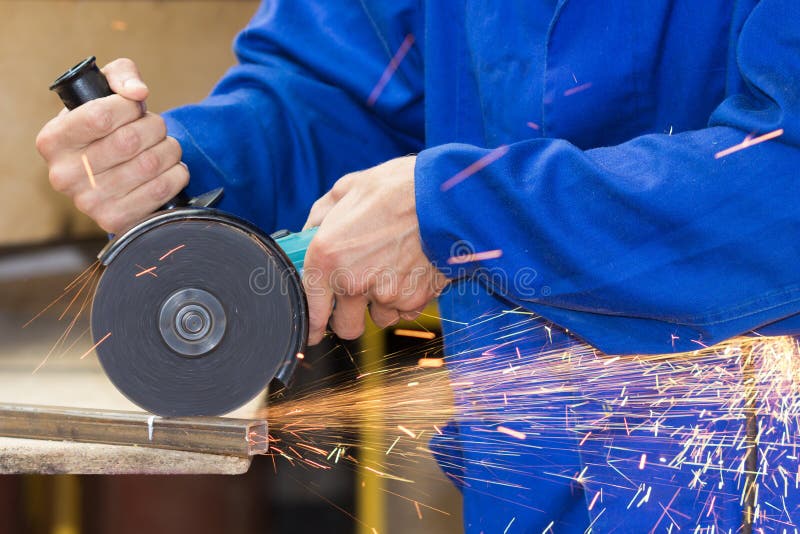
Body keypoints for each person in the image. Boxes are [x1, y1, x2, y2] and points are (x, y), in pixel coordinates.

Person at [36, 1, 800, 531]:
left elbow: (783, 178)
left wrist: (459, 215)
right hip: (536, 470)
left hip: (761, 474)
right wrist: (183, 164)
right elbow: (343, 86)